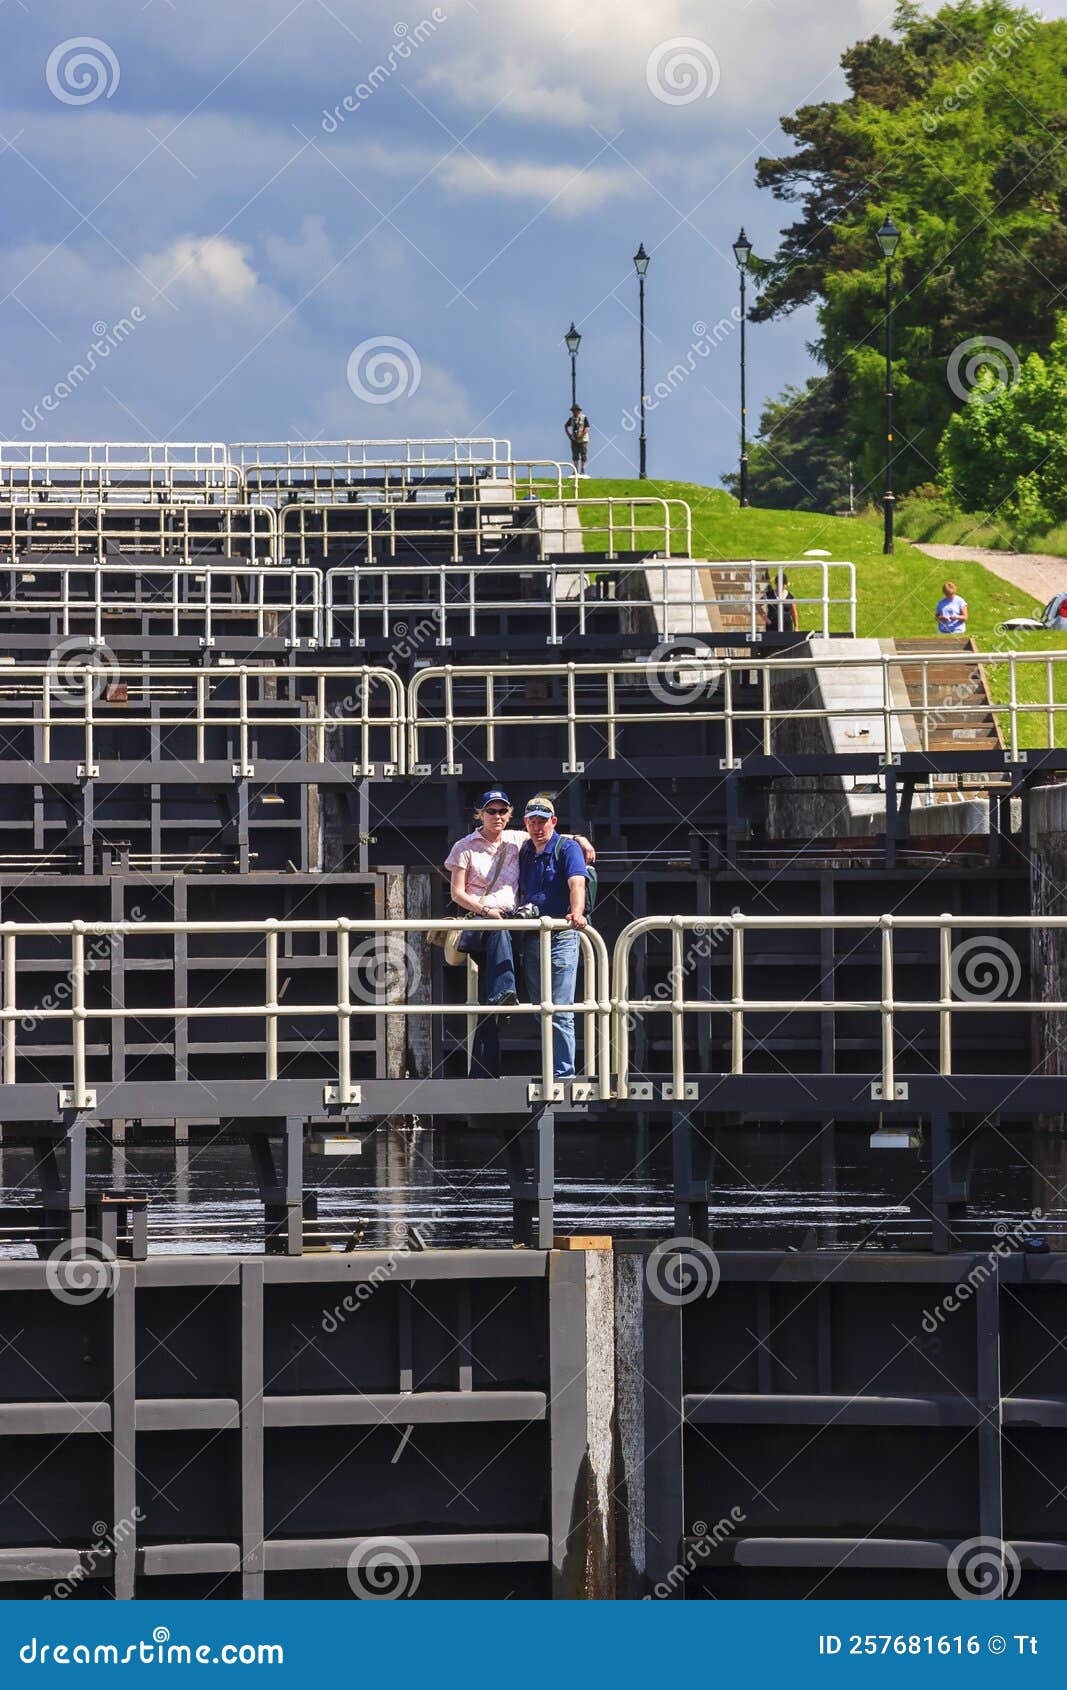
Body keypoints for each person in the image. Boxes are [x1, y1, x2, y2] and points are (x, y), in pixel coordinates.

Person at [444, 791, 594, 1079]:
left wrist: (580, 840)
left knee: (549, 1008)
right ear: (480, 814)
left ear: (510, 815)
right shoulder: (465, 847)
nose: (497, 816)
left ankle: (547, 1073)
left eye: (502, 811)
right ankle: (503, 996)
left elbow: (556, 844)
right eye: (491, 811)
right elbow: (457, 893)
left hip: (520, 928)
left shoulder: (517, 841)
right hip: (485, 924)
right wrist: (486, 911)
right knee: (509, 1000)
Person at [517, 794, 589, 1081]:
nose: (538, 827)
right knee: (541, 1007)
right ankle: (553, 1067)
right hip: (533, 936)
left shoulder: (567, 848)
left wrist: (577, 913)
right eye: (533, 822)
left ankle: (563, 1075)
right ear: (526, 823)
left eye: (543, 822)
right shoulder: (524, 850)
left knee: (559, 1008)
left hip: (560, 935)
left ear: (553, 822)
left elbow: (577, 883)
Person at [564, 403, 590, 476]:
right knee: (575, 455)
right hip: (574, 440)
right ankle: (575, 470)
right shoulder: (571, 419)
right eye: (573, 411)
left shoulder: (584, 417)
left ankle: (582, 469)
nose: (574, 412)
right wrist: (569, 435)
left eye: (575, 411)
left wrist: (581, 435)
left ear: (578, 411)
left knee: (583, 454)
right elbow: (566, 426)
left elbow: (587, 428)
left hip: (583, 440)